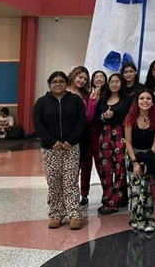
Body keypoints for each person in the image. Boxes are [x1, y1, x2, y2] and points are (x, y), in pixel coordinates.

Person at [32, 71, 87, 230]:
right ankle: (56, 214)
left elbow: (81, 121)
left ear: (66, 83)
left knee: (70, 181)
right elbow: (38, 124)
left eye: (61, 81)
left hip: (71, 147)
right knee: (54, 182)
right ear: (50, 84)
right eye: (54, 81)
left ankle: (74, 214)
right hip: (51, 149)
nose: (58, 84)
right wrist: (51, 141)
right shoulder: (42, 102)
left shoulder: (75, 100)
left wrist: (71, 140)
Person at [124, 90, 155, 232]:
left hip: (150, 156)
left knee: (147, 189)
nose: (145, 101)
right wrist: (135, 162)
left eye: (148, 98)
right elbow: (128, 142)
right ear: (137, 101)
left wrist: (148, 159)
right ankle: (135, 218)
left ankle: (148, 219)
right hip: (133, 155)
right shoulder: (130, 117)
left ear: (153, 102)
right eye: (142, 98)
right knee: (135, 189)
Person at [94, 73, 129, 215]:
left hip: (120, 134)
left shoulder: (127, 100)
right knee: (105, 168)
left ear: (121, 84)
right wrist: (103, 116)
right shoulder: (103, 99)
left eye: (117, 82)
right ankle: (107, 198)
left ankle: (115, 202)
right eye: (111, 82)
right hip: (105, 135)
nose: (114, 84)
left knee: (120, 169)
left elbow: (130, 117)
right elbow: (95, 118)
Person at [66, 66, 95, 205]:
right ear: (73, 76)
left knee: (85, 164)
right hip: (67, 135)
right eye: (80, 77)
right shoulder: (63, 91)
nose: (82, 81)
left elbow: (89, 116)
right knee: (70, 167)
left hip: (84, 133)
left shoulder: (86, 94)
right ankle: (69, 195)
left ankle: (84, 194)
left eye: (85, 79)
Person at [81, 70, 107, 202]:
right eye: (96, 77)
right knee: (86, 165)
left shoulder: (109, 95)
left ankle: (106, 193)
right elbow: (88, 116)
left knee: (102, 165)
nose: (98, 79)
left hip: (102, 133)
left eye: (101, 76)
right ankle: (84, 194)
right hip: (87, 132)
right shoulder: (87, 94)